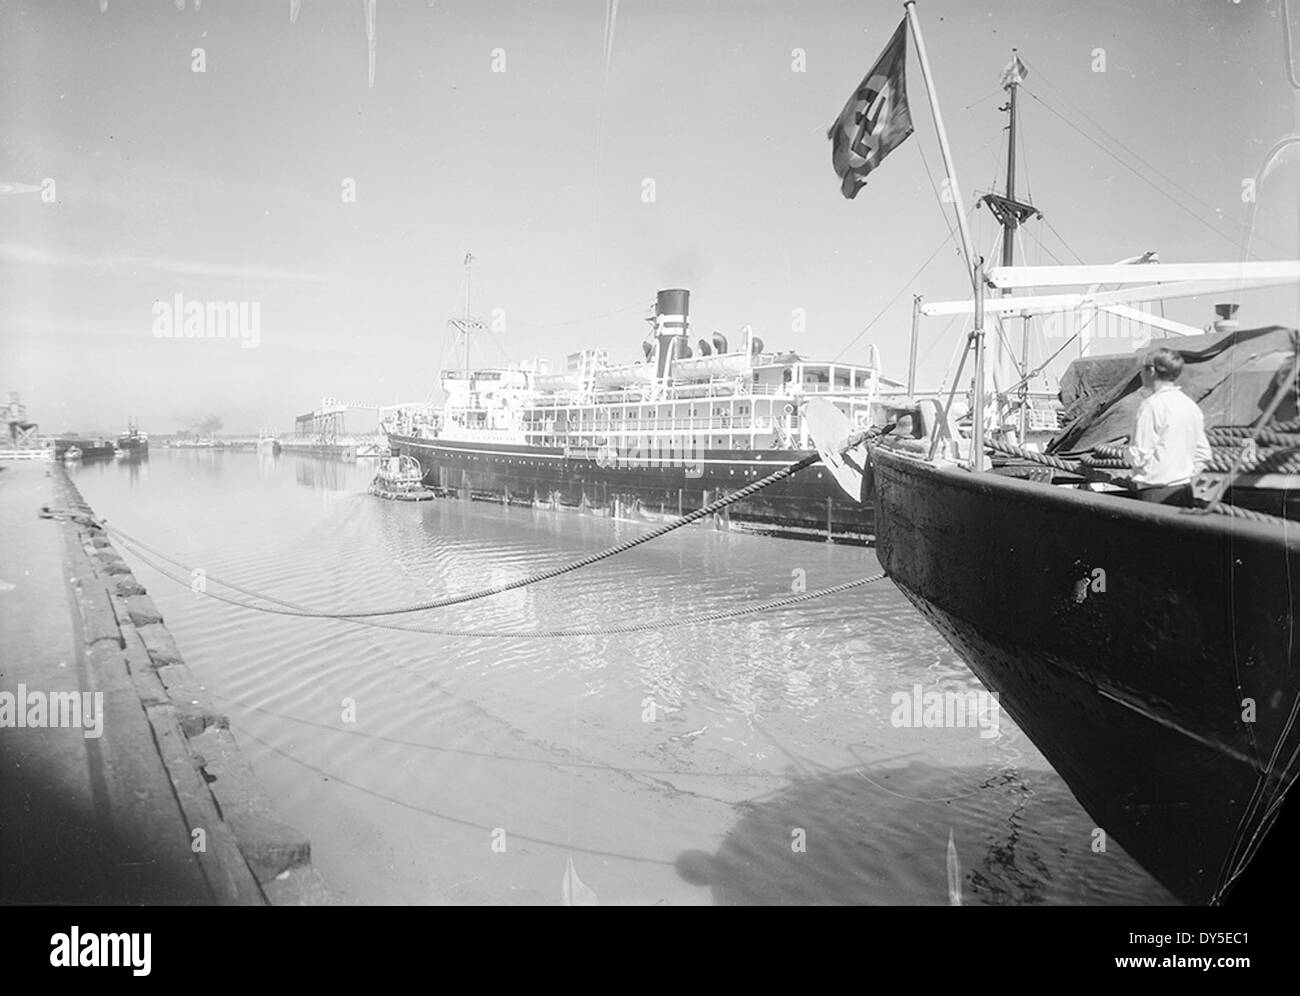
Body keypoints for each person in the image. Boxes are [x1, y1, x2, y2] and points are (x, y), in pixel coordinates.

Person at [1125, 347, 1212, 507]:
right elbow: (1203, 454)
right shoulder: (1190, 405)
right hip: (1183, 490)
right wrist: (1181, 474)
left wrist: (1126, 454)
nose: (1141, 374)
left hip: (1154, 494)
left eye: (1142, 369)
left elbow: (1140, 456)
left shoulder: (1151, 406)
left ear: (1151, 370)